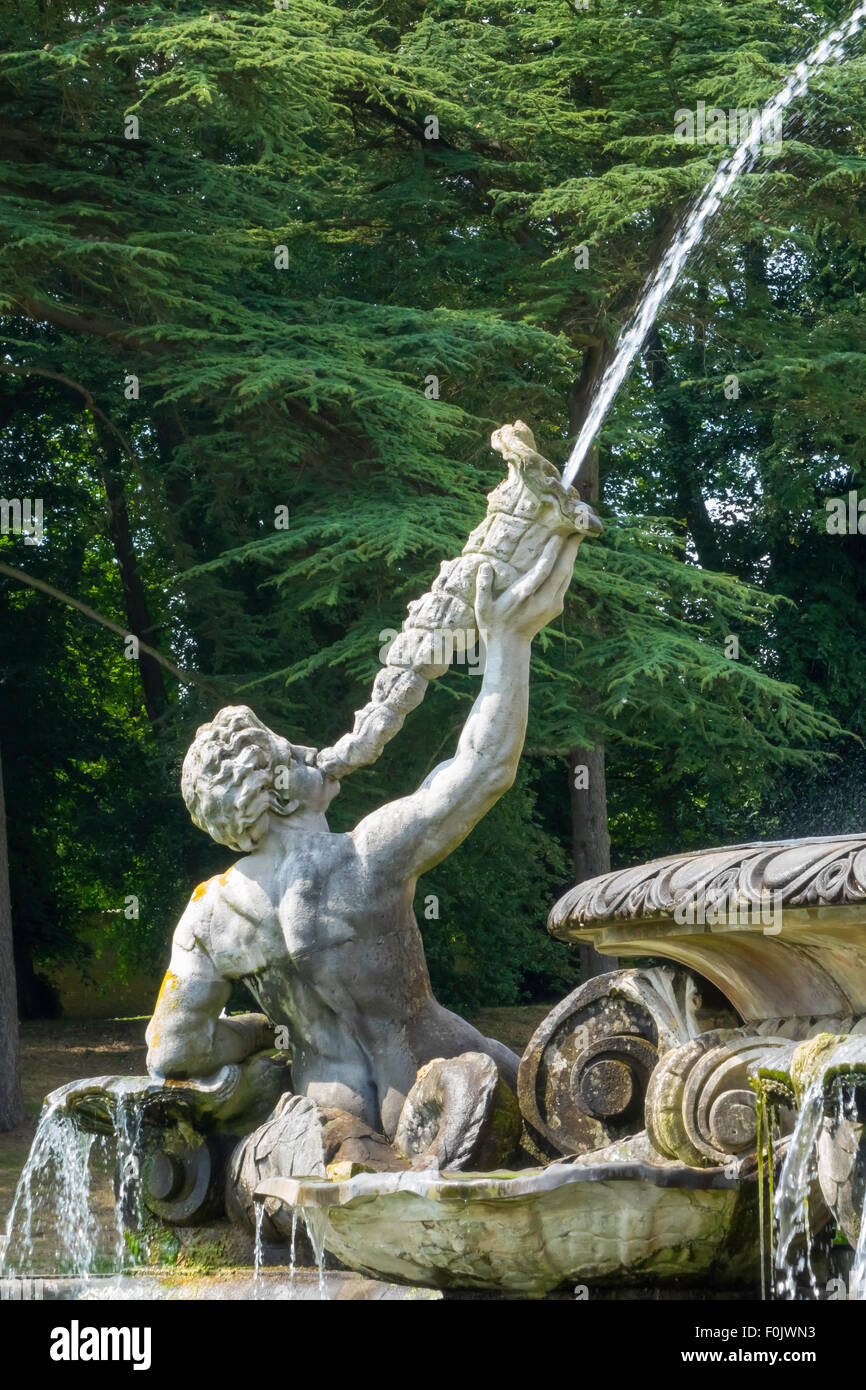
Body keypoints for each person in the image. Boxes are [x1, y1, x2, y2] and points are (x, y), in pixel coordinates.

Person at [146, 534, 579, 1139]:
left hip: (325, 1116)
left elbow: (173, 1048)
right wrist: (509, 641)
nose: (310, 754)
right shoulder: (361, 856)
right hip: (439, 1089)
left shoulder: (208, 914)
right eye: (293, 754)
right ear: (278, 792)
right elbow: (482, 770)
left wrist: (256, 1030)